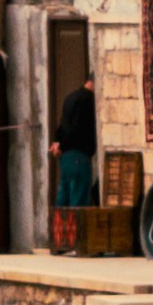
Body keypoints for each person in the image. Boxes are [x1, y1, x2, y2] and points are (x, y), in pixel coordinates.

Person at [52, 81, 98, 218]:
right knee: (78, 204)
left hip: (65, 158)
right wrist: (62, 145)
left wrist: (58, 144)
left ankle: (61, 237)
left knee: (63, 203)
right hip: (79, 156)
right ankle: (78, 238)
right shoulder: (87, 100)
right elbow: (77, 128)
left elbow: (62, 126)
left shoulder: (71, 97)